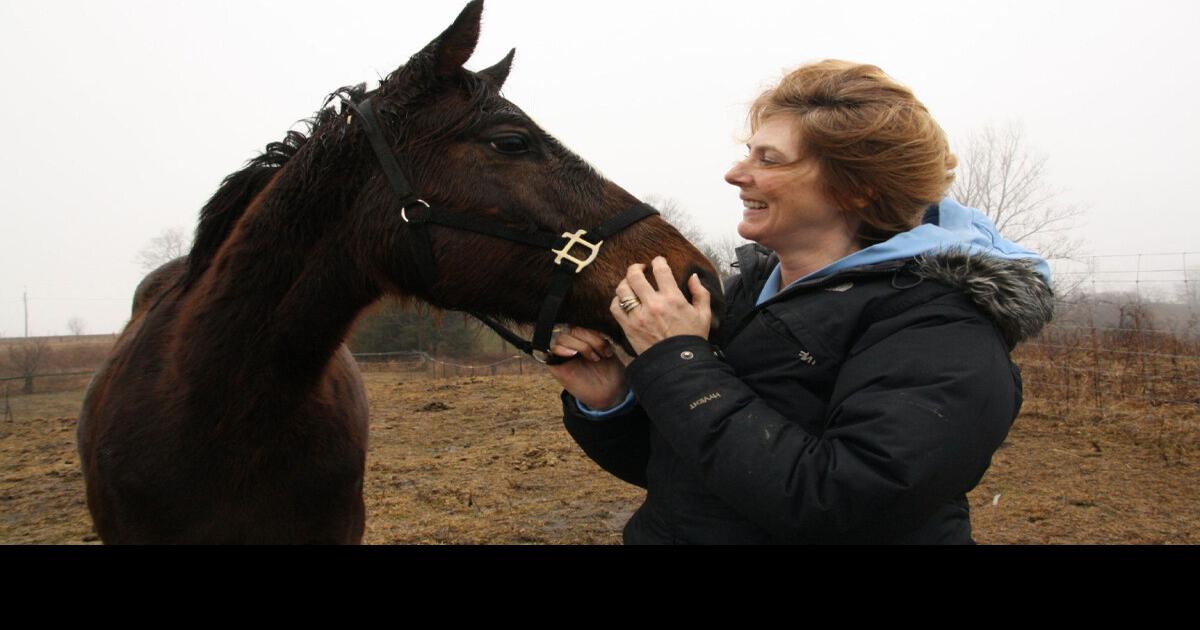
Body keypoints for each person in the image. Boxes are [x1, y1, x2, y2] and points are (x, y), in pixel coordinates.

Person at [546, 59, 1054, 544]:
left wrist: (677, 361)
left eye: (768, 159)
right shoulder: (746, 295)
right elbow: (696, 471)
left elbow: (840, 504)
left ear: (856, 188)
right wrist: (612, 402)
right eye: (748, 152)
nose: (735, 173)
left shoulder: (940, 326)